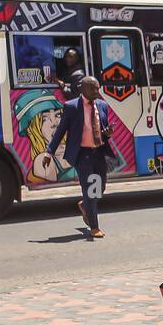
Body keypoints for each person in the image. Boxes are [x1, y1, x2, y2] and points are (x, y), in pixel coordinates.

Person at [47, 76, 112, 239]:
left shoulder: (103, 106)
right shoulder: (71, 107)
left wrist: (107, 134)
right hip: (82, 154)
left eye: (98, 88)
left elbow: (103, 130)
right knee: (90, 189)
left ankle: (85, 205)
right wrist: (49, 152)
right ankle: (94, 226)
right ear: (83, 89)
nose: (97, 92)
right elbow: (60, 131)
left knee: (100, 188)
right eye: (93, 88)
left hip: (99, 152)